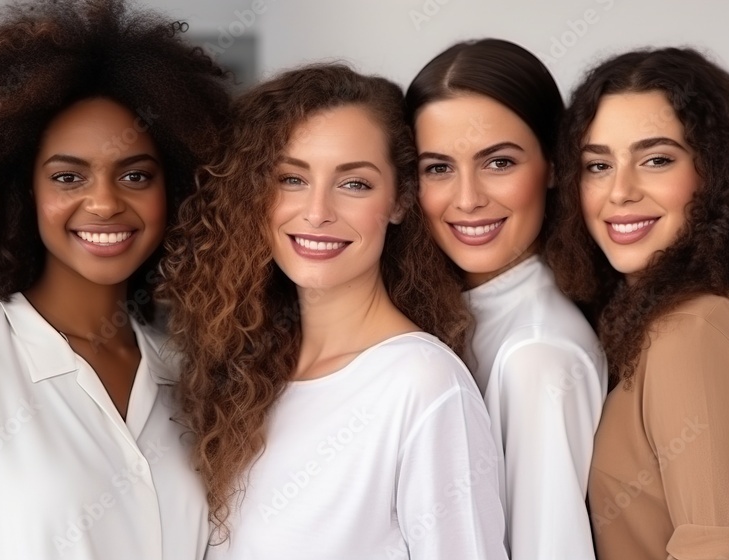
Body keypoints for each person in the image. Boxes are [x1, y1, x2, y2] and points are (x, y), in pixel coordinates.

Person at [0, 1, 231, 558]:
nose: (105, 203)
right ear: (23, 192)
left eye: (136, 175)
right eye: (68, 177)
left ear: (178, 190)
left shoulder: (188, 377)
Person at [159, 63, 508, 560]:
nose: (317, 211)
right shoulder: (244, 375)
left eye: (354, 184)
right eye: (292, 179)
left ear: (400, 200)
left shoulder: (424, 386)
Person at [546, 47, 729, 560]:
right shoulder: (675, 313)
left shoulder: (689, 335)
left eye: (656, 160)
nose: (620, 191)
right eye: (598, 165)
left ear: (715, 175)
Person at [405, 38, 607, 559]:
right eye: (438, 168)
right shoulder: (445, 312)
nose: (467, 198)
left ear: (555, 165)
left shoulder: (536, 357)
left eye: (498, 163)